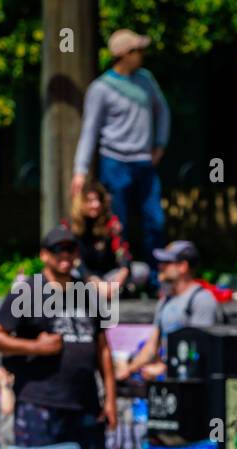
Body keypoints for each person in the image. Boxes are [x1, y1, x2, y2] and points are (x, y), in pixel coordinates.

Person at [0, 226, 118, 449]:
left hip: (85, 401)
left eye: (71, 249)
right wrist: (36, 347)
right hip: (40, 400)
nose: (66, 256)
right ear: (45, 255)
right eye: (58, 250)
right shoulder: (29, 290)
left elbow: (103, 347)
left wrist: (111, 399)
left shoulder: (88, 293)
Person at [71, 29, 169, 271]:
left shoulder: (146, 79)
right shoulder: (101, 88)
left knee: (155, 220)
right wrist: (80, 170)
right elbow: (90, 130)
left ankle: (158, 278)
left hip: (144, 162)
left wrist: (160, 144)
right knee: (117, 222)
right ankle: (118, 275)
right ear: (124, 54)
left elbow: (163, 111)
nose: (142, 55)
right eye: (138, 50)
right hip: (114, 162)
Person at [117, 240, 221, 381]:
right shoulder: (165, 301)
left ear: (183, 266)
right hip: (170, 381)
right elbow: (152, 347)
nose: (160, 266)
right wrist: (128, 369)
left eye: (167, 262)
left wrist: (163, 369)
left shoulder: (201, 300)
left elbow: (200, 352)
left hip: (193, 386)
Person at [66, 179, 149, 297]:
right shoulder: (71, 226)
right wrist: (94, 281)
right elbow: (75, 260)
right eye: (89, 201)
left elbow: (123, 254)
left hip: (108, 277)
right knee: (70, 272)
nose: (96, 205)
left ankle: (111, 292)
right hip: (85, 277)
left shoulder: (111, 223)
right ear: (81, 203)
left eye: (98, 200)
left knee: (142, 270)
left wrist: (117, 281)